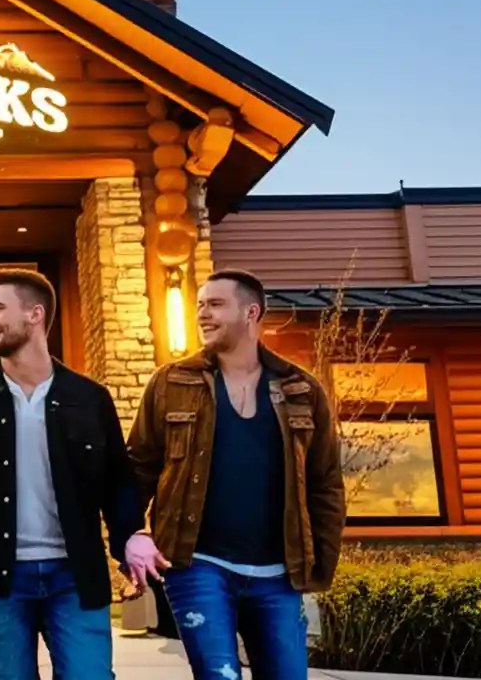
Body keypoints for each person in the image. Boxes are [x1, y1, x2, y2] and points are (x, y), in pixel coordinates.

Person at [124, 268, 347, 680]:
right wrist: (129, 538)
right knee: (219, 675)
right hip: (197, 564)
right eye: (200, 306)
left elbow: (325, 484)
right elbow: (137, 468)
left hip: (278, 573)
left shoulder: (302, 390)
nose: (203, 314)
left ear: (251, 313)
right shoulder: (170, 383)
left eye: (216, 304)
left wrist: (318, 566)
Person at [0, 268, 145, 680]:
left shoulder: (90, 398)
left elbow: (118, 483)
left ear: (34, 315)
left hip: (74, 576)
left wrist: (129, 540)